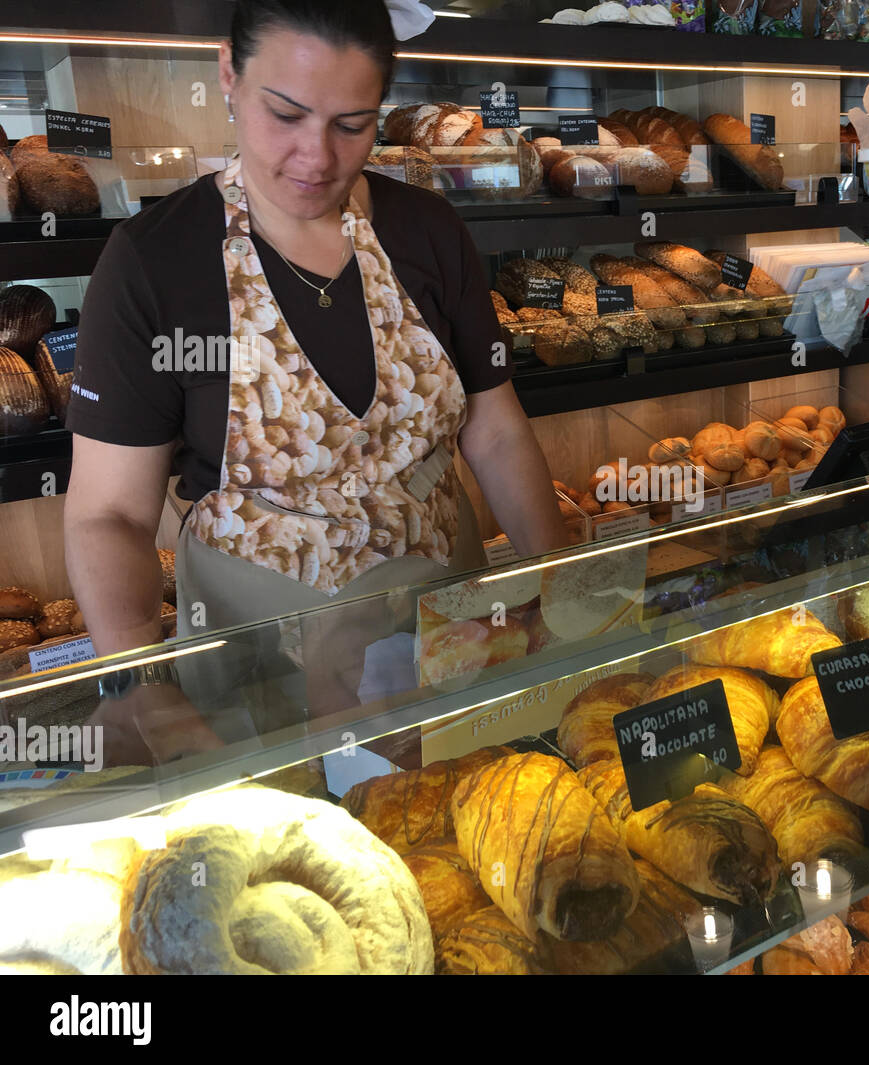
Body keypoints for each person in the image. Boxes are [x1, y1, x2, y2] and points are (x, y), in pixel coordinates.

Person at [63, 0, 567, 764]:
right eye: (286, 114)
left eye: (351, 124)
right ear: (229, 75)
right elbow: (108, 515)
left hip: (448, 634)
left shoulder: (427, 231)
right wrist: (142, 687)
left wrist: (558, 584)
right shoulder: (155, 264)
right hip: (259, 677)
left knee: (468, 835)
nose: (316, 157)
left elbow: (494, 431)